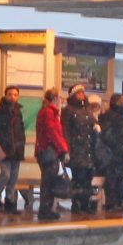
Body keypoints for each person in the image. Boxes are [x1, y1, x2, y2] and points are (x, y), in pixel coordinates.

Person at [0, 85, 26, 213]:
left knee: (14, 177)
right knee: (5, 174)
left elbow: (20, 130)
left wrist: (21, 142)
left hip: (17, 148)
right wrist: (3, 141)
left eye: (15, 94)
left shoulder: (18, 112)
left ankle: (10, 201)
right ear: (5, 95)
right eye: (10, 94)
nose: (12, 97)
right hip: (5, 148)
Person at [62, 85, 99, 215]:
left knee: (87, 178)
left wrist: (95, 125)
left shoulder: (87, 108)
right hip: (77, 149)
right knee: (78, 178)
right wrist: (67, 150)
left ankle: (85, 203)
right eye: (78, 93)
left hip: (88, 149)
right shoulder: (69, 110)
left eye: (83, 92)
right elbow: (65, 131)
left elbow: (92, 121)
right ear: (73, 95)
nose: (82, 95)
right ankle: (76, 204)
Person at [33, 88, 68, 220]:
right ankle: (45, 211)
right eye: (59, 98)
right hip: (48, 152)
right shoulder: (49, 113)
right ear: (54, 99)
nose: (61, 100)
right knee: (48, 182)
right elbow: (53, 133)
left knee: (48, 181)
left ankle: (46, 209)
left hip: (44, 151)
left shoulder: (47, 112)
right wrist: (64, 149)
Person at [98, 92, 123, 213]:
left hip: (122, 153)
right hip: (113, 154)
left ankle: (119, 201)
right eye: (122, 101)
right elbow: (107, 135)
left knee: (121, 177)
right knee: (113, 178)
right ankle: (112, 203)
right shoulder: (110, 116)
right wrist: (120, 145)